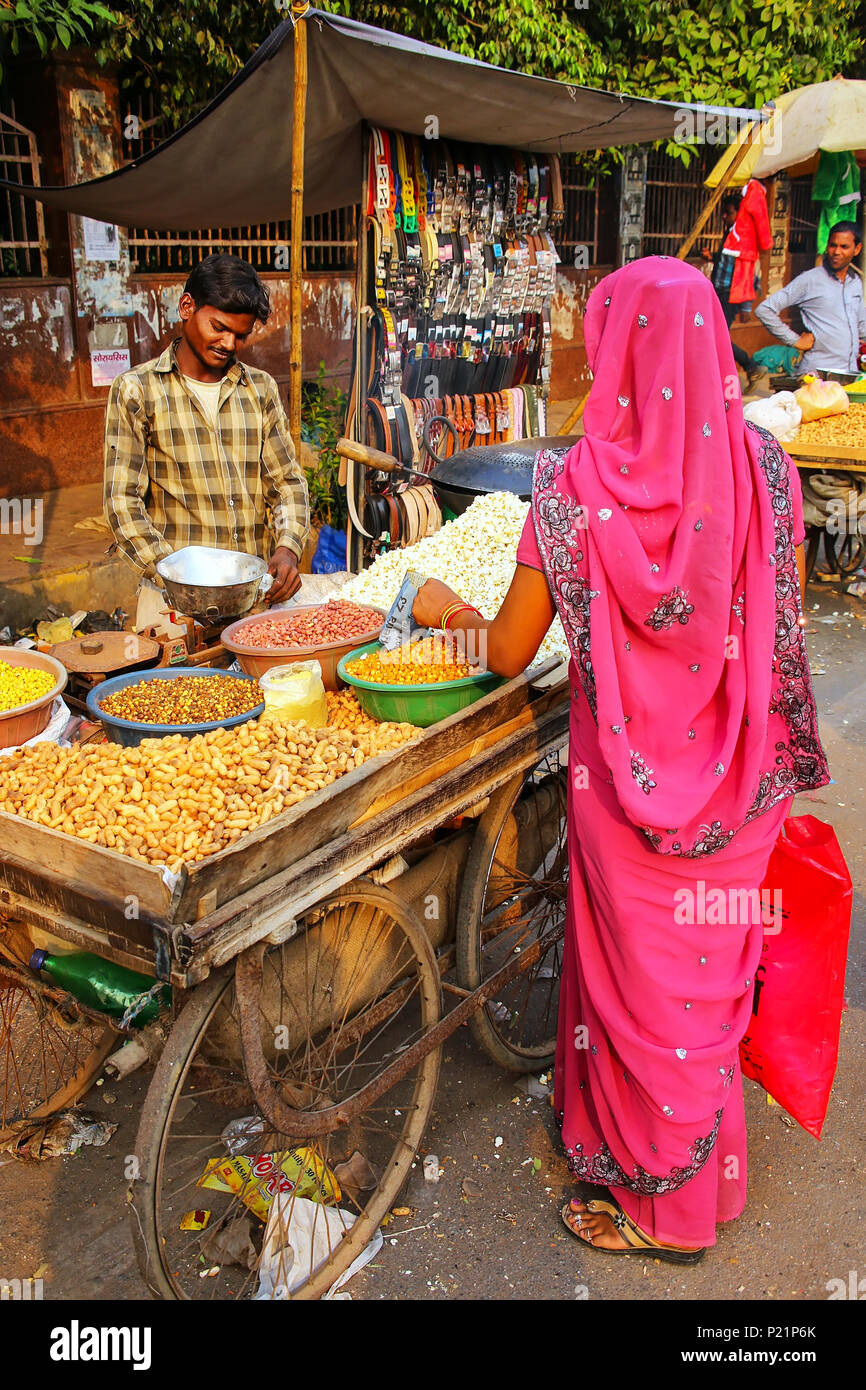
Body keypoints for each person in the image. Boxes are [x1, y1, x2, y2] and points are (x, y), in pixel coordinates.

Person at [413, 257, 829, 1262]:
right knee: (700, 982)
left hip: (627, 796)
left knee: (640, 988)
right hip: (739, 786)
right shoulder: (768, 470)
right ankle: (703, 1175)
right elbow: (776, 621)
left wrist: (438, 615)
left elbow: (506, 653)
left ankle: (665, 1214)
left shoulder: (573, 489)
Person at [104, 253, 309, 631]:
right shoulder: (137, 390)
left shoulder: (259, 389)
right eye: (218, 327)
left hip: (253, 604)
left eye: (241, 335)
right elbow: (122, 503)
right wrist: (179, 578)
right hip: (173, 609)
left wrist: (287, 548)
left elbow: (287, 484)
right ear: (187, 307)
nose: (229, 343)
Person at [756, 221, 866, 379]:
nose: (836, 252)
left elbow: (861, 328)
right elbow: (764, 310)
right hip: (816, 376)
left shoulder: (854, 282)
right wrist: (795, 340)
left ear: (857, 249)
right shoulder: (810, 280)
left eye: (844, 247)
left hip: (849, 374)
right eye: (833, 245)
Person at [701, 193, 768, 390]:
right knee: (712, 336)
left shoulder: (744, 236)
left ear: (740, 213)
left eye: (728, 213)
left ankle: (749, 365)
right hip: (721, 291)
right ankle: (748, 367)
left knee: (714, 337)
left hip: (730, 294)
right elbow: (728, 262)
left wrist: (746, 306)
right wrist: (712, 257)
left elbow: (751, 272)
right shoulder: (732, 233)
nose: (724, 216)